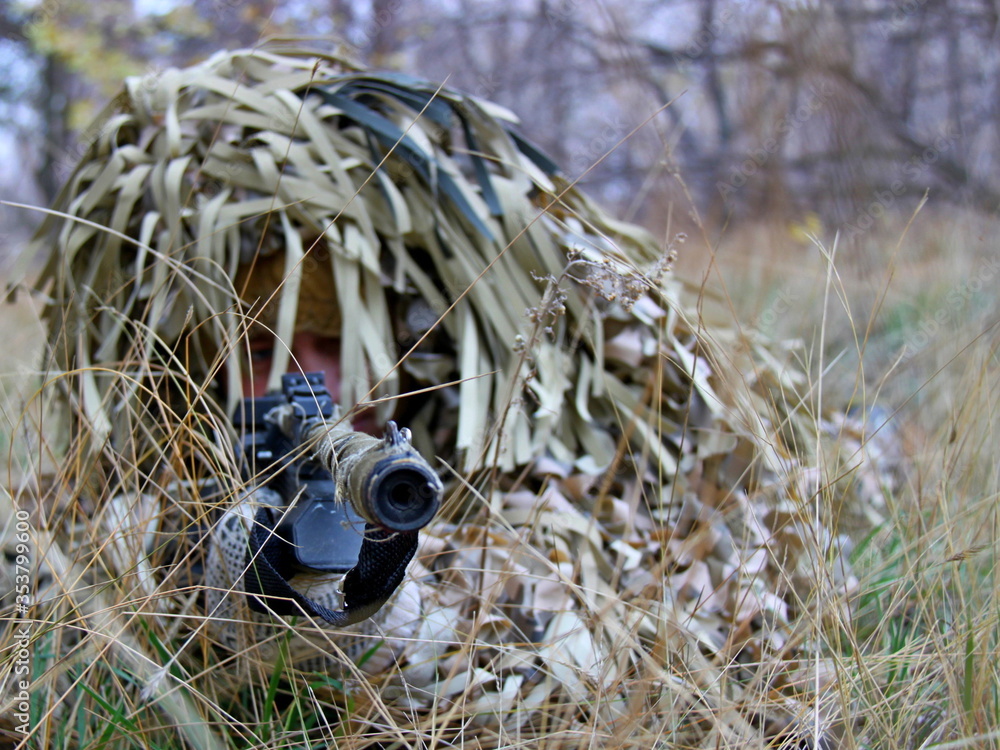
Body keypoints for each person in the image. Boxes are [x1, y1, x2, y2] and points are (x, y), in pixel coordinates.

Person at [10, 43, 863, 748]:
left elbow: (557, 646)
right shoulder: (113, 504)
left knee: (853, 448)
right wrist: (212, 569)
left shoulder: (507, 467)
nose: (307, 379)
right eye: (261, 347)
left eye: (335, 345)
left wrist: (370, 600)